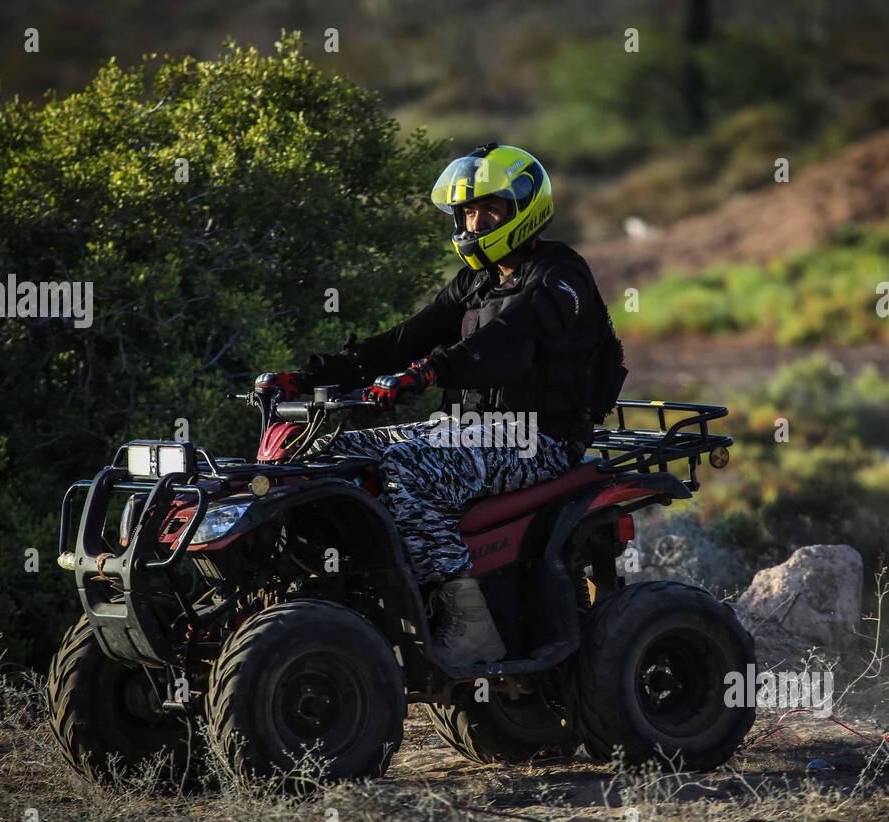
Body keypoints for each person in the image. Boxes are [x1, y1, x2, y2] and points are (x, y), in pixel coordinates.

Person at [256, 143, 625, 668]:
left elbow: (509, 341)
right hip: (466, 432)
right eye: (468, 211)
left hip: (538, 441)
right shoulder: (475, 282)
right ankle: (338, 592)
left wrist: (430, 371)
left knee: (407, 467)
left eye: (489, 210)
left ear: (523, 208)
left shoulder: (561, 276)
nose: (475, 222)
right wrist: (310, 376)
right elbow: (403, 338)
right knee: (327, 450)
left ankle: (469, 622)